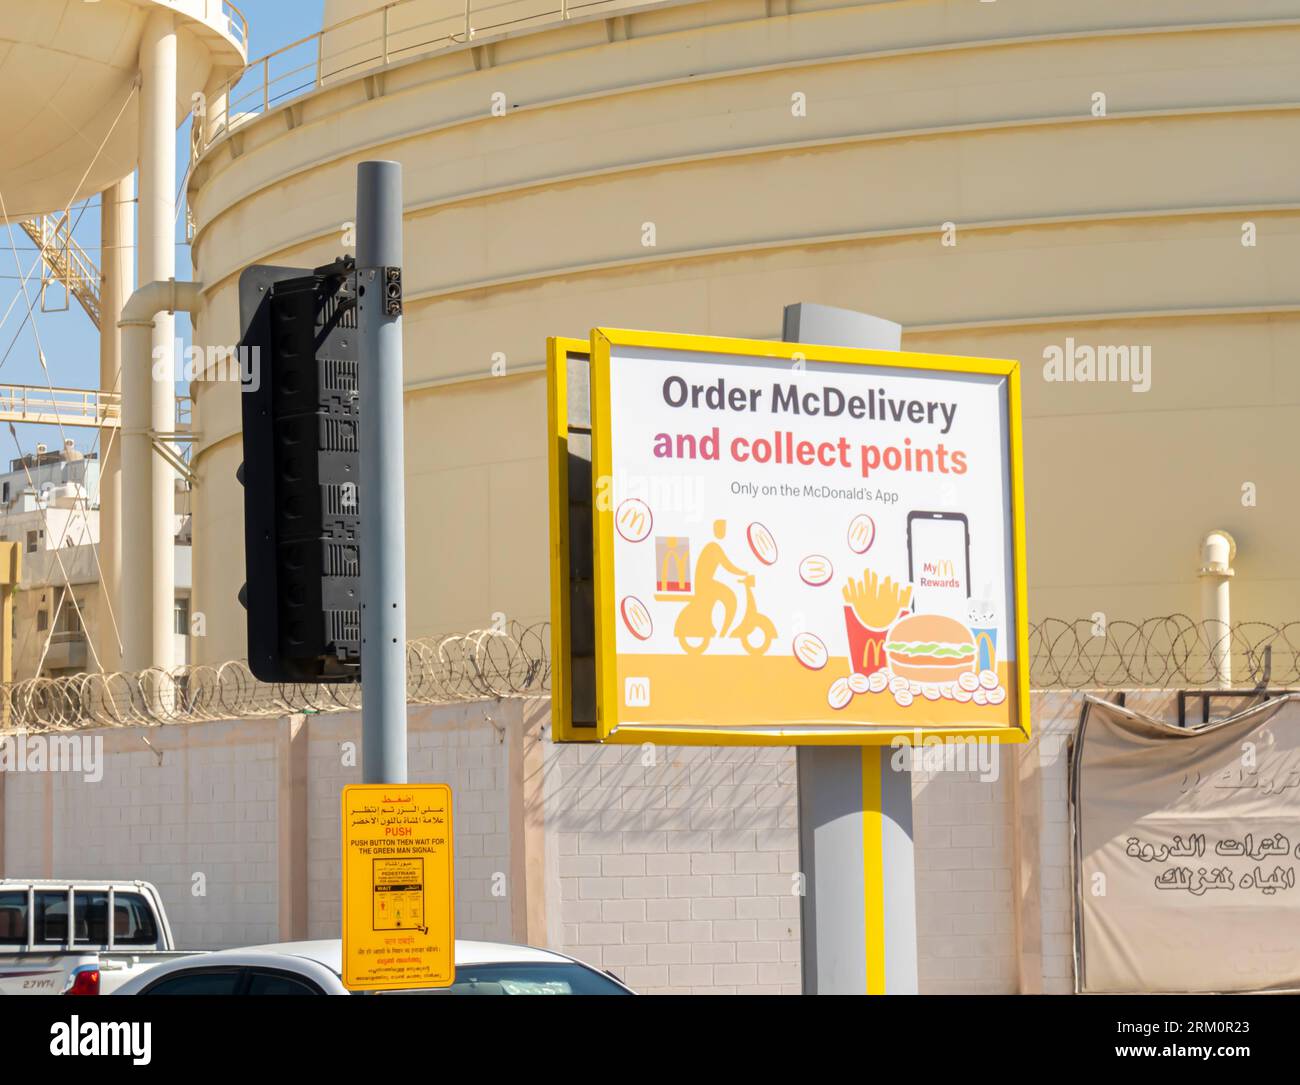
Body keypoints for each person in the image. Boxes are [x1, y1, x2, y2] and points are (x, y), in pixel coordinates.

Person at [692, 519, 749, 636]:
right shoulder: (714, 547)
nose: (722, 531)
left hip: (706, 582)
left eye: (723, 529)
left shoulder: (713, 546)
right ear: (715, 530)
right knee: (731, 599)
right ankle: (724, 633)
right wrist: (743, 573)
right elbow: (727, 565)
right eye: (720, 529)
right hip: (705, 584)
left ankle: (723, 631)